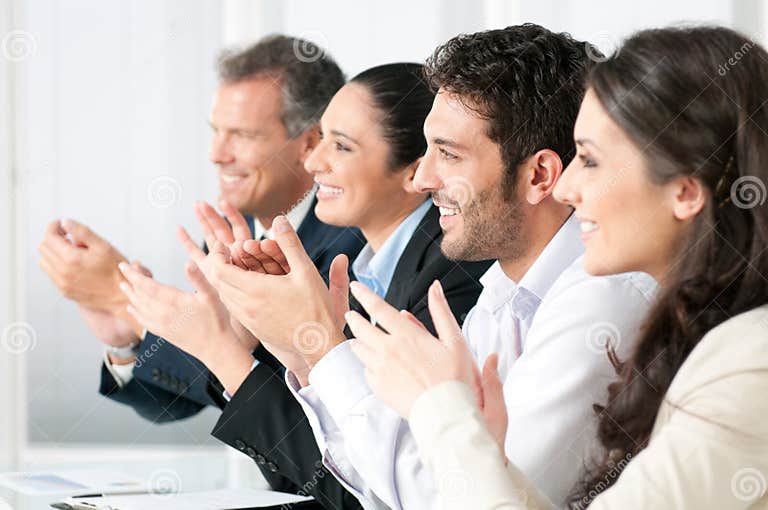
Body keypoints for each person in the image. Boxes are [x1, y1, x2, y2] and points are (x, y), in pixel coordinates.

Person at [156, 25, 657, 510]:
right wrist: (305, 355)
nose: (423, 178)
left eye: (448, 154)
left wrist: (323, 345)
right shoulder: (502, 293)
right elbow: (383, 491)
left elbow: (457, 498)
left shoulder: (600, 301)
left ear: (539, 175)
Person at [348, 25, 768, 510]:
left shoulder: (749, 361)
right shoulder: (710, 341)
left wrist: (441, 411)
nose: (566, 189)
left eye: (589, 160)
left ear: (685, 191)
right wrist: (471, 438)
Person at [118, 62, 492, 507]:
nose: (313, 162)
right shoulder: (367, 270)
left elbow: (359, 495)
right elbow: (312, 475)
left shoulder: (449, 278)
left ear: (415, 171)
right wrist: (256, 338)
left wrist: (224, 352)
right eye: (320, 139)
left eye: (341, 146)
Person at [38, 35, 366, 509]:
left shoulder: (353, 242)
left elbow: (279, 397)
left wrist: (128, 301)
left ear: (311, 143)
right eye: (215, 131)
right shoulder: (234, 230)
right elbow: (192, 394)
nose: (216, 153)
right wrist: (125, 339)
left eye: (242, 135)